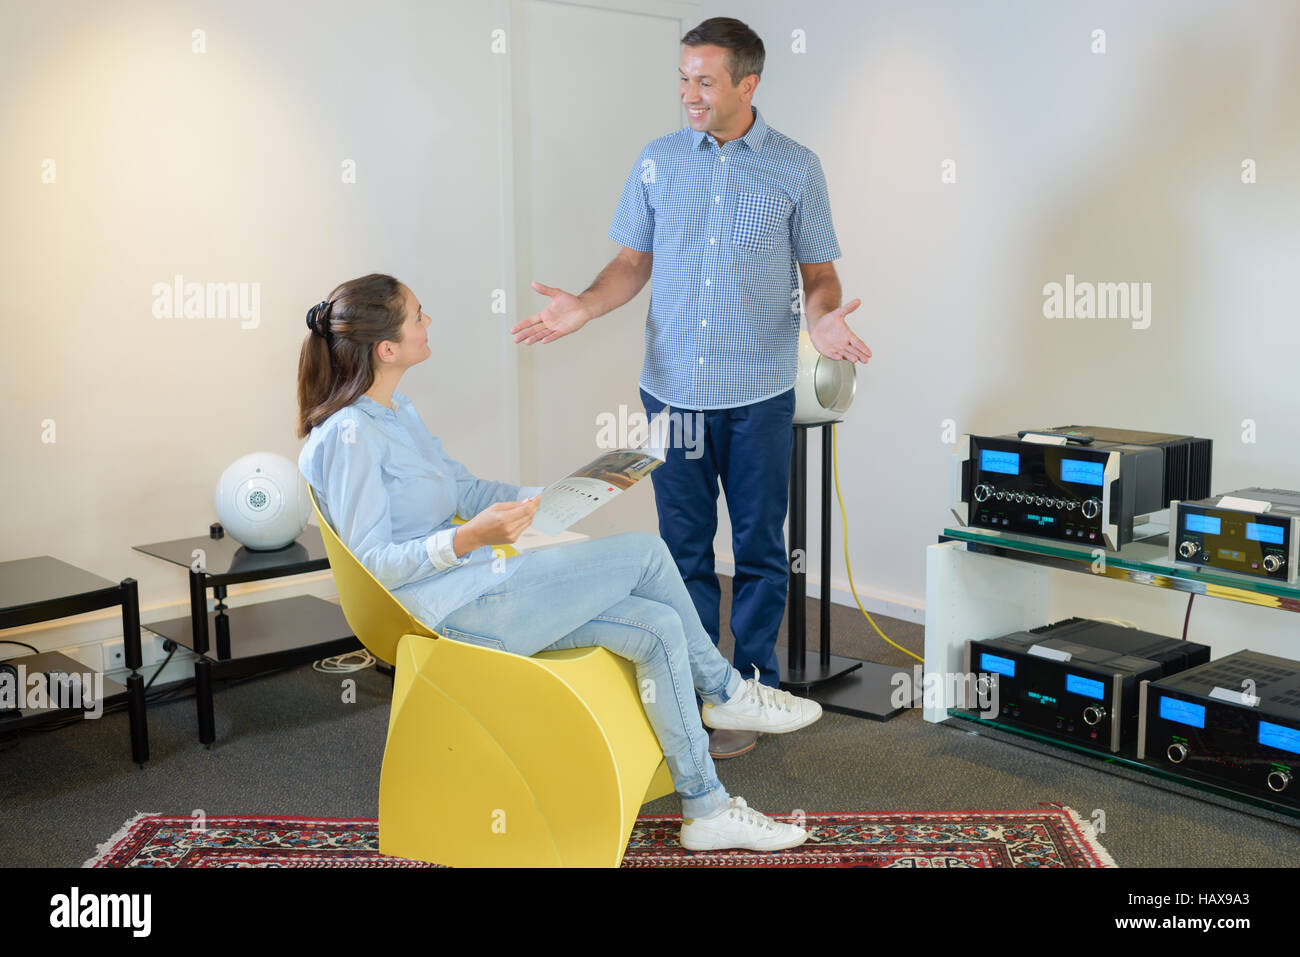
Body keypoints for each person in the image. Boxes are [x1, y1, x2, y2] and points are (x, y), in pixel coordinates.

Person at [295, 273, 824, 852]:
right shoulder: (347, 437)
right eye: (419, 315)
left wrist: (554, 495)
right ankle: (727, 693)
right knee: (648, 552)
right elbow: (374, 563)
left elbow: (463, 489)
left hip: (476, 588)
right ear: (386, 348)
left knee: (659, 627)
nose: (429, 324)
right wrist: (469, 539)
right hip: (450, 608)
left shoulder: (399, 414)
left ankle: (706, 808)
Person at [511, 18, 870, 760]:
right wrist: (582, 304)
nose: (689, 95)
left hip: (760, 392)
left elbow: (820, 276)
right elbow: (631, 264)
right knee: (683, 547)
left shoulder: (797, 167)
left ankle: (754, 685)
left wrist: (826, 318)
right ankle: (702, 686)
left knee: (762, 549)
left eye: (705, 81)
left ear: (749, 84)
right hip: (671, 394)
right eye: (683, 79)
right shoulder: (658, 161)